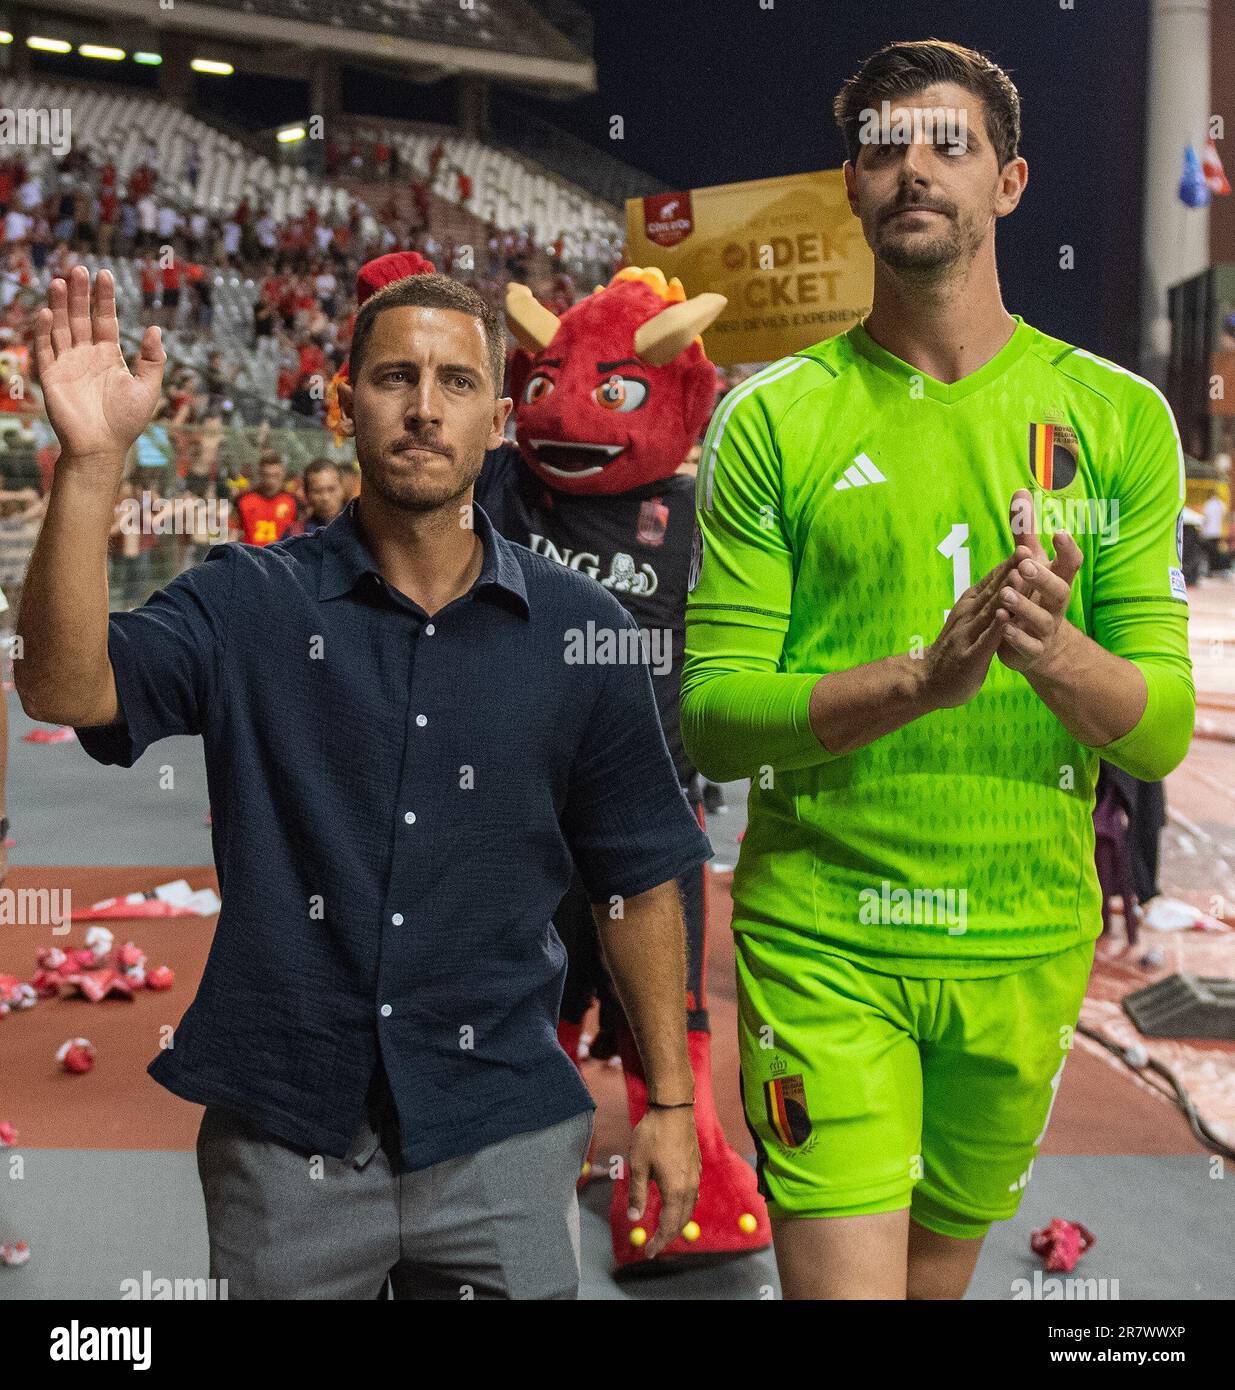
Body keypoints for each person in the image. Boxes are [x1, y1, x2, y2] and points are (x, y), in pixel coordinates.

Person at [18, 264, 709, 1298]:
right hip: (284, 1134)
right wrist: (90, 464)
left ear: (499, 420)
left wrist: (666, 1102)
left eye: (454, 382)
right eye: (393, 377)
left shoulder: (582, 632)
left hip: (503, 1130)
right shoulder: (246, 602)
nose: (424, 407)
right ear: (343, 406)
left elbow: (640, 874)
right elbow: (65, 686)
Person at [682, 39, 1195, 1300]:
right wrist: (916, 680)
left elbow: (1161, 729)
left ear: (1007, 182)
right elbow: (711, 719)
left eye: (945, 142)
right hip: (824, 943)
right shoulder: (769, 420)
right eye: (880, 145)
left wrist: (1053, 653)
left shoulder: (1118, 418)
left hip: (1022, 949)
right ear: (849, 189)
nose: (911, 165)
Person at [232, 451, 296, 546]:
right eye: (267, 475)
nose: (271, 481)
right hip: (250, 557)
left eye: (276, 475)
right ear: (260, 475)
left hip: (281, 558)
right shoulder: (243, 500)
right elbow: (232, 532)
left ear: (283, 474)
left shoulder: (294, 502)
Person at [300, 458, 345, 534]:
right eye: (317, 491)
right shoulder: (297, 534)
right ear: (307, 494)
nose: (325, 497)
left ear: (343, 488)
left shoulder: (362, 527)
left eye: (331, 489)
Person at [1201, 491, 1226, 574]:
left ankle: (1210, 569)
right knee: (1215, 552)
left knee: (1208, 552)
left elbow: (1205, 518)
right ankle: (1215, 568)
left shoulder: (1208, 504)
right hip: (1217, 532)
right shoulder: (1220, 504)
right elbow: (1224, 514)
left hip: (1208, 532)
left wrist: (1202, 529)